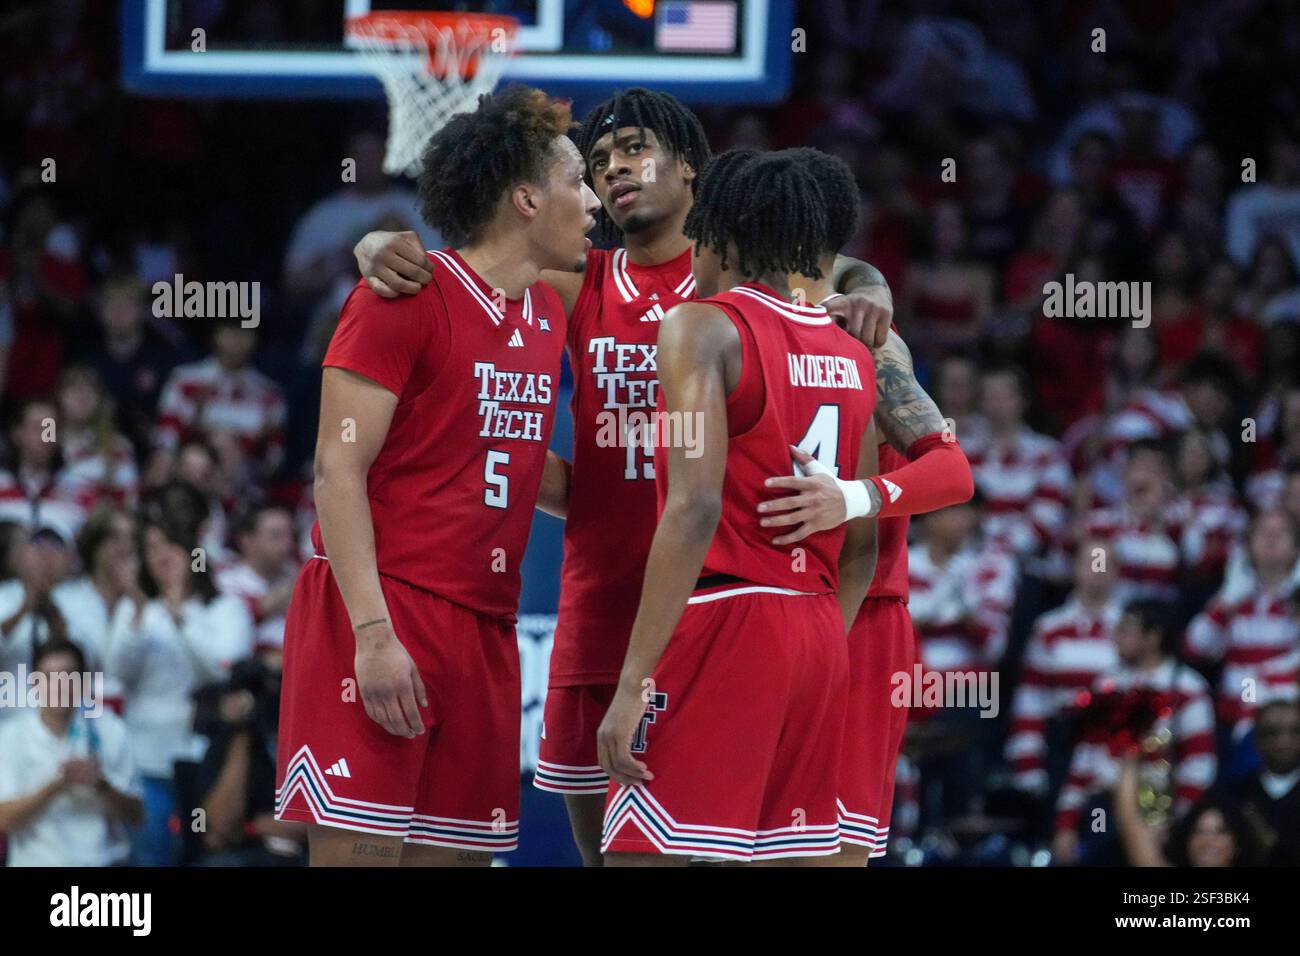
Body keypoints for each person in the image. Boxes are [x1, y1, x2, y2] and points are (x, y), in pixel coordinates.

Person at [353, 88, 897, 866]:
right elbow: (473, 270)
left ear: (691, 171)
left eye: (634, 149)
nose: (613, 170)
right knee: (609, 857)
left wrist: (871, 283)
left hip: (724, 611)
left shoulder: (740, 285)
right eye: (599, 162)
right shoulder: (582, 280)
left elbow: (837, 254)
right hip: (604, 610)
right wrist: (374, 245)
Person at [274, 84, 597, 868]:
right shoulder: (403, 296)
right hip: (385, 604)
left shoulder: (548, 308)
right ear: (525, 197)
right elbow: (335, 470)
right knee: (360, 857)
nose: (593, 203)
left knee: (455, 861)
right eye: (575, 181)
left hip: (485, 624)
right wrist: (375, 634)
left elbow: (518, 463)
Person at [596, 149, 880, 865]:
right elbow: (863, 542)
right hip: (818, 629)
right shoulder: (853, 351)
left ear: (717, 233)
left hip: (725, 617)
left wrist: (632, 683)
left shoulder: (701, 326)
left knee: (640, 854)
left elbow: (693, 509)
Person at [105, 513, 254, 866]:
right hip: (147, 760)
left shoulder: (224, 609)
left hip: (207, 761)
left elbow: (223, 670)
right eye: (152, 548)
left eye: (171, 545)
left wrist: (179, 614)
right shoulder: (136, 609)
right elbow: (118, 671)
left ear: (194, 554)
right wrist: (141, 614)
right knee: (152, 856)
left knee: (207, 856)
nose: (161, 556)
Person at [1052, 600, 1216, 866]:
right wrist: (1066, 825)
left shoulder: (1188, 688)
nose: (1116, 637)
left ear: (1153, 637)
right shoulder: (1107, 685)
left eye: (1127, 630)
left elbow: (1199, 766)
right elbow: (1085, 759)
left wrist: (1177, 821)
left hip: (1159, 811)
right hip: (1103, 808)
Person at [0, 638, 142, 866]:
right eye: (48, 677)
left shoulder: (111, 729)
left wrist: (101, 785)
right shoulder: (11, 736)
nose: (58, 685)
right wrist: (57, 785)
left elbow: (136, 817)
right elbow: (3, 820)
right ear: (33, 683)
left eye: (67, 676)